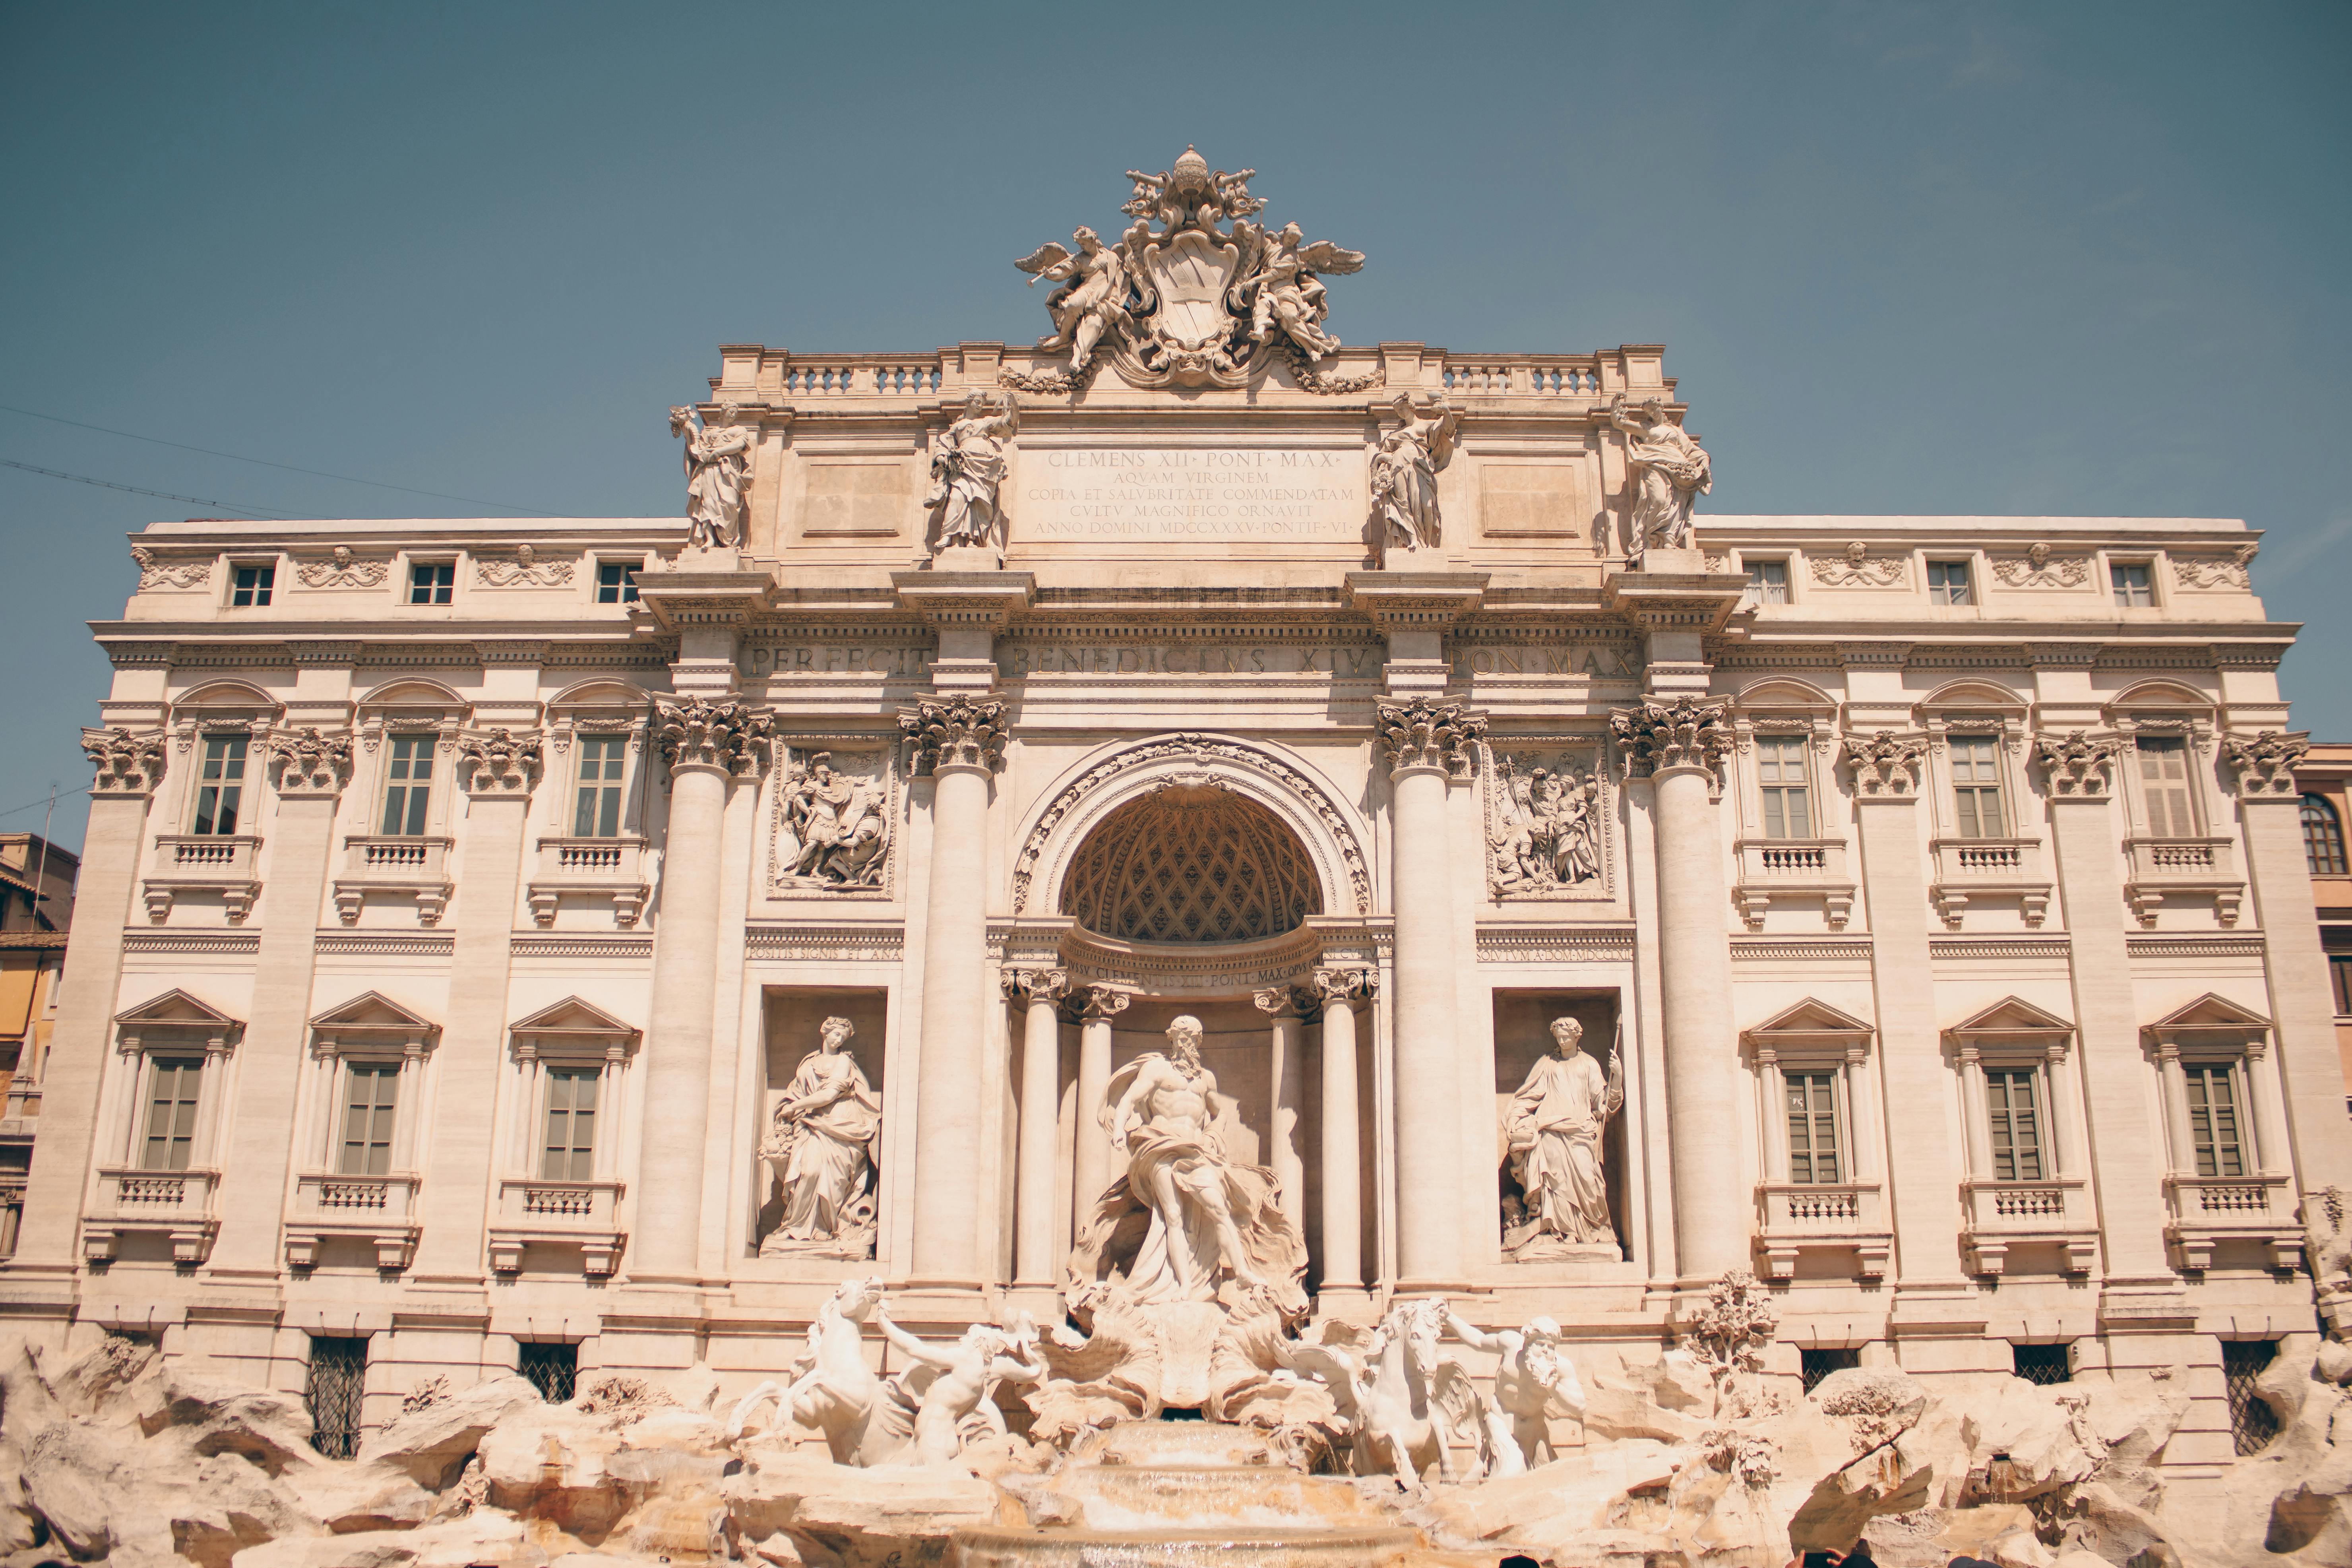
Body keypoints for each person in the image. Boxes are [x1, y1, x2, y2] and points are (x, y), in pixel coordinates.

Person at [1503, 1018, 1623, 1252]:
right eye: (1559, 1036)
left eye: (1567, 1036)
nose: (1562, 1040)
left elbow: (1603, 1103)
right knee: (1554, 1181)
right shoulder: (1547, 1064)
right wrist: (1517, 1118)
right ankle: (1559, 1231)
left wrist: (1616, 1077)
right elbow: (1529, 1096)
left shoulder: (1589, 1064)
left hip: (1580, 1130)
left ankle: (1592, 1229)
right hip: (1551, 1130)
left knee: (1588, 1179)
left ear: (1578, 1036)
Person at [762, 1017, 881, 1250]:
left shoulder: (844, 1061)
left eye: (843, 1038)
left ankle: (823, 1228)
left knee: (833, 1179)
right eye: (836, 1034)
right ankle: (795, 1226)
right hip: (810, 1125)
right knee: (807, 1172)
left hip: (839, 1125)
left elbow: (828, 1096)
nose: (838, 1040)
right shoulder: (809, 1063)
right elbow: (795, 1092)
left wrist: (795, 1107)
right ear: (825, 1032)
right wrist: (790, 1108)